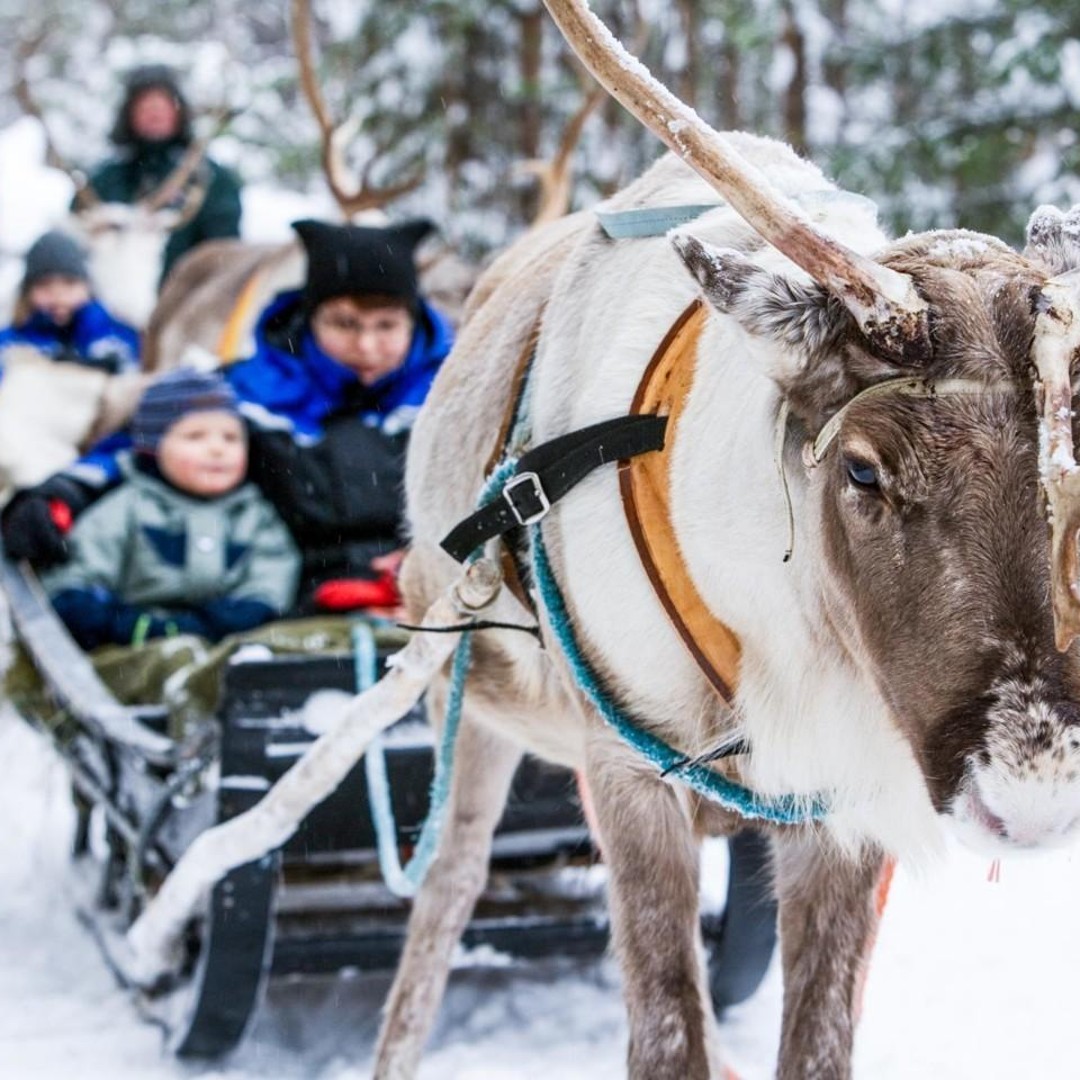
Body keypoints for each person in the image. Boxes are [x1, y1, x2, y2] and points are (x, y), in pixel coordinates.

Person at [4, 218, 453, 611]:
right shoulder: (246, 391)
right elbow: (137, 449)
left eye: (387, 326)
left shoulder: (451, 400)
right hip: (274, 601)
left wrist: (430, 561)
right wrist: (61, 494)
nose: (367, 346)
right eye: (344, 324)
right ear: (310, 317)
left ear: (414, 321)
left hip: (433, 600)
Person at [41, 368, 300, 650]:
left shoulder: (254, 514)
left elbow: (271, 576)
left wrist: (237, 616)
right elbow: (80, 573)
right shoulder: (127, 507)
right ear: (154, 447)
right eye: (195, 437)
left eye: (231, 438)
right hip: (133, 644)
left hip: (226, 641)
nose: (217, 449)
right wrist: (121, 623)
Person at [84, 64, 242, 281]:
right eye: (144, 106)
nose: (154, 114)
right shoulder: (104, 180)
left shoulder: (209, 179)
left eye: (162, 105)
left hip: (185, 296)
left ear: (179, 112)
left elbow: (225, 255)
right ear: (129, 114)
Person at [0, 230, 139, 376]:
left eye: (69, 283)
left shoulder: (118, 336)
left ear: (87, 287)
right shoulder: (9, 344)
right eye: (44, 285)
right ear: (27, 292)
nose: (58, 296)